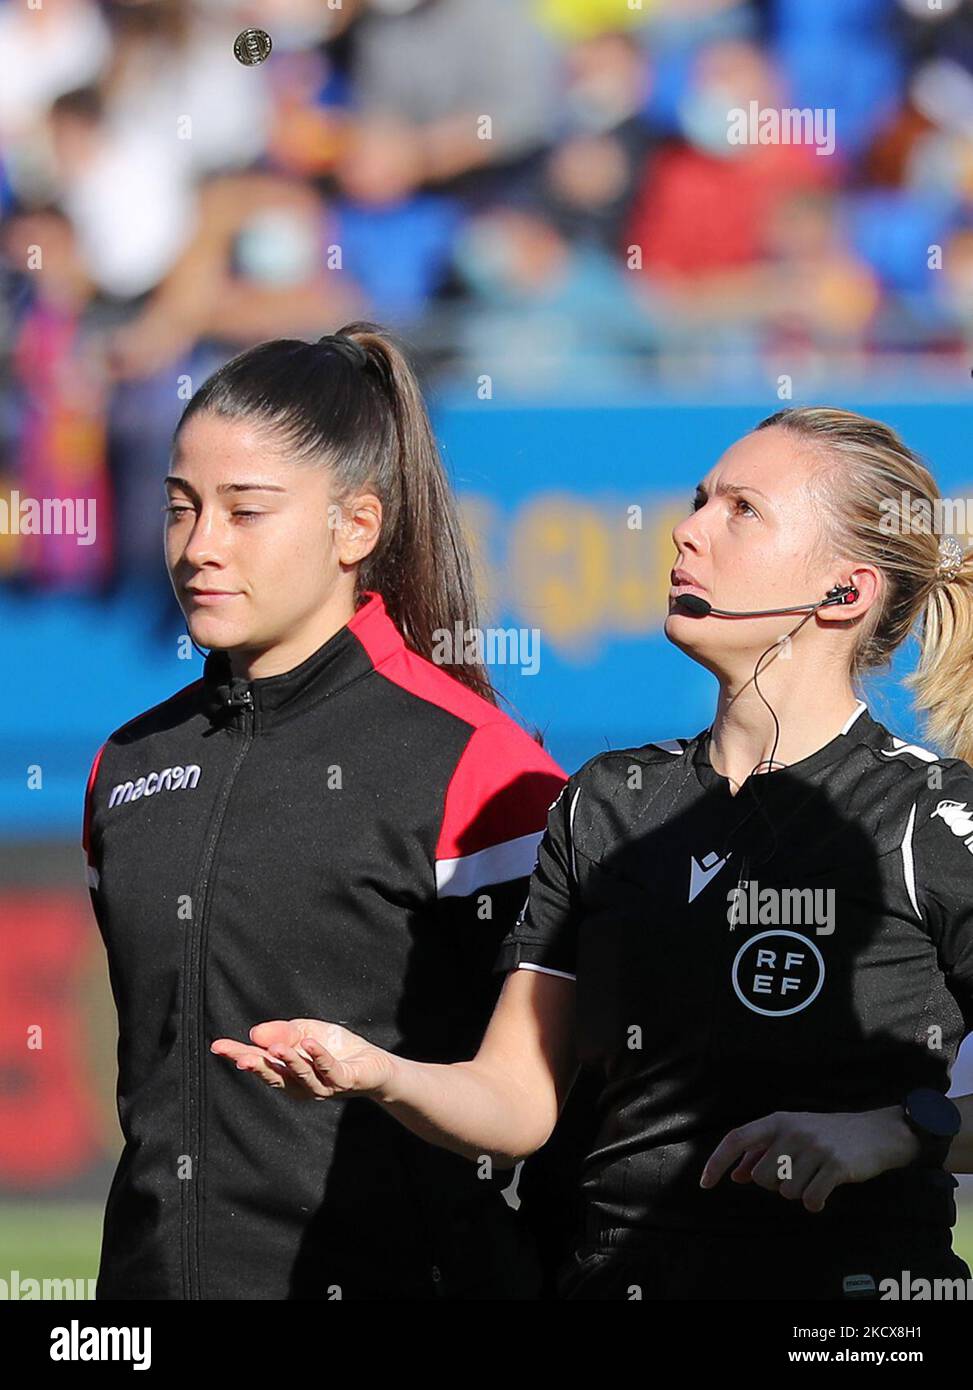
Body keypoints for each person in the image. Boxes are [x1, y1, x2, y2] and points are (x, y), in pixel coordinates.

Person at [219, 406, 973, 1300]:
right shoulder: (607, 801)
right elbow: (517, 1102)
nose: (687, 530)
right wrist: (377, 1073)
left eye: (741, 510)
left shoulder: (927, 813)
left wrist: (896, 1131)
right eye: (699, 501)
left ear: (843, 593)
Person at [81, 320, 579, 1300]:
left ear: (356, 526)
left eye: (245, 510)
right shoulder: (126, 763)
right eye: (180, 507)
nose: (198, 546)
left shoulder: (482, 766)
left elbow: (543, 1103)